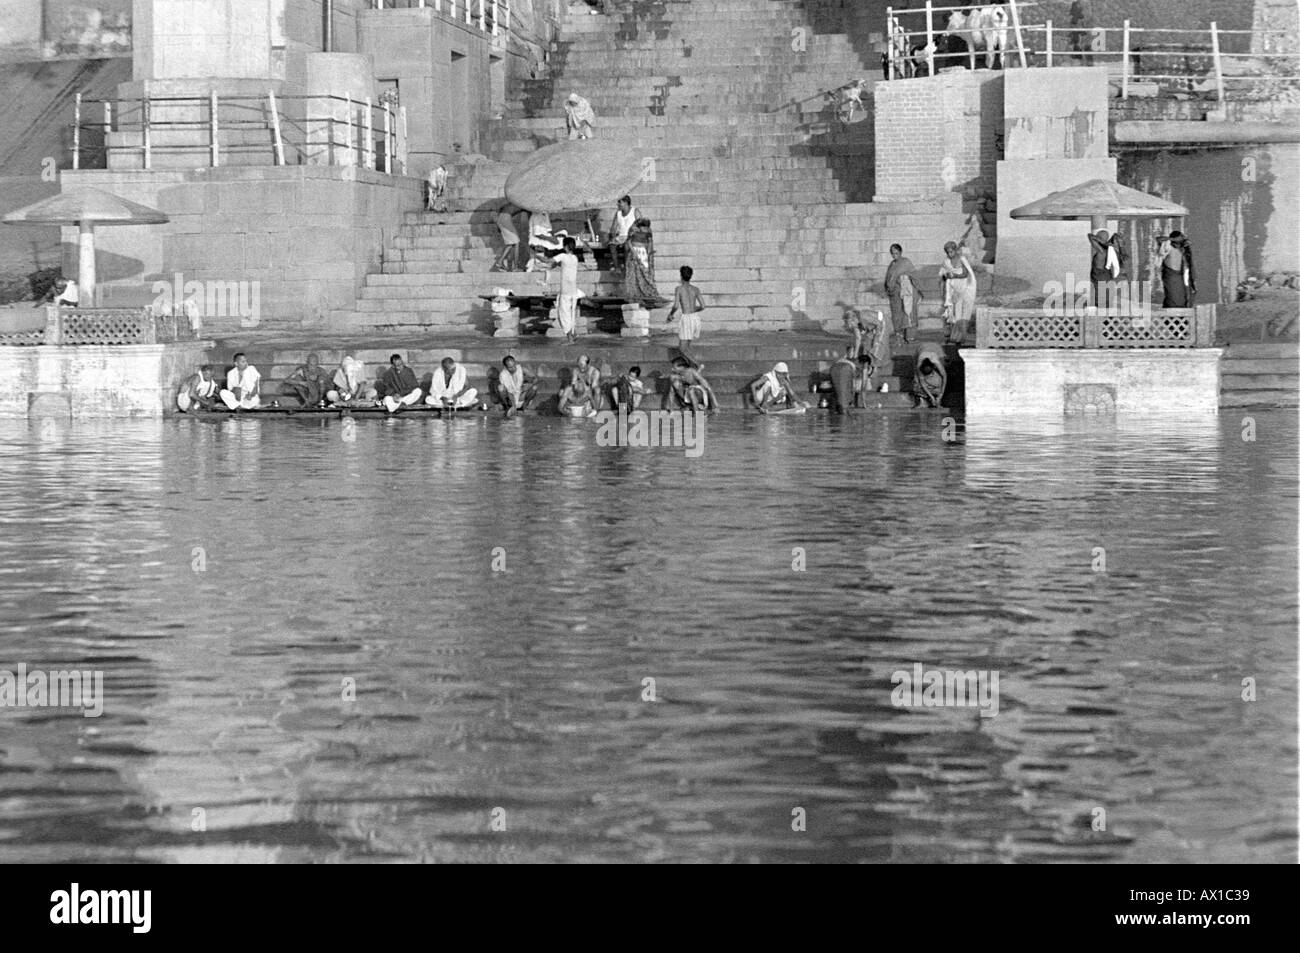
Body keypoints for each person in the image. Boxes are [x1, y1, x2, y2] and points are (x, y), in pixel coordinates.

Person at [939, 240, 976, 345]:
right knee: (954, 312)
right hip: (952, 290)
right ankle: (954, 337)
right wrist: (946, 276)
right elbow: (942, 273)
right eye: (947, 252)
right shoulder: (946, 261)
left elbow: (965, 273)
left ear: (955, 250)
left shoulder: (961, 259)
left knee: (962, 313)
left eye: (951, 251)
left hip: (963, 288)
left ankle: (961, 337)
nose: (949, 254)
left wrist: (955, 275)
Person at [883, 243, 920, 344]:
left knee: (908, 313)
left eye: (896, 253)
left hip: (906, 293)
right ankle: (898, 335)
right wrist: (888, 288)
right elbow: (888, 278)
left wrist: (916, 288)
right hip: (894, 294)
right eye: (892, 253)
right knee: (896, 315)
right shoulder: (892, 264)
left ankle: (910, 337)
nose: (894, 255)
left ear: (900, 252)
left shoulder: (906, 262)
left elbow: (914, 275)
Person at [667, 265, 705, 359]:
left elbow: (676, 306)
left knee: (682, 349)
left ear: (681, 276)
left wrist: (670, 314)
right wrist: (692, 308)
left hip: (687, 319)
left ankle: (695, 367)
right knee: (686, 346)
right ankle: (691, 368)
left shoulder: (679, 289)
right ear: (691, 276)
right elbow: (703, 306)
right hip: (695, 318)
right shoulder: (696, 289)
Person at [550, 236, 584, 344]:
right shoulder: (575, 258)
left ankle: (570, 339)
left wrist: (537, 257)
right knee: (571, 314)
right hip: (573, 290)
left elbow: (549, 260)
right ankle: (573, 334)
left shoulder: (563, 256)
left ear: (565, 246)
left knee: (564, 315)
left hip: (565, 291)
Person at [621, 217, 660, 306]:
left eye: (647, 228)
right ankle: (635, 294)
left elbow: (650, 241)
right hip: (634, 251)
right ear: (640, 226)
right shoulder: (633, 229)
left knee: (645, 272)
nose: (645, 229)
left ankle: (647, 292)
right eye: (644, 227)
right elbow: (629, 242)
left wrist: (649, 252)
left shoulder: (649, 231)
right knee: (634, 273)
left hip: (643, 252)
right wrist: (633, 252)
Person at [1088, 228, 1127, 308]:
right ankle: (1107, 317)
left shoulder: (1101, 250)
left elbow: (1090, 236)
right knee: (1106, 299)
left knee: (1100, 300)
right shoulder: (1109, 250)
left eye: (1098, 236)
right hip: (1106, 276)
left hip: (1100, 276)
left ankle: (1103, 317)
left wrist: (1101, 240)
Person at [1158, 230, 1196, 308]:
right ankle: (1170, 317)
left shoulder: (1182, 249)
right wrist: (1173, 239)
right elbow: (1159, 239)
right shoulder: (1168, 246)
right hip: (1170, 275)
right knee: (1172, 297)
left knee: (1181, 298)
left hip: (1179, 275)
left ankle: (1180, 317)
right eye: (1180, 237)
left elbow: (1188, 244)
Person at [606, 195, 640, 272]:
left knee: (626, 246)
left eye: (620, 202)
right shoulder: (618, 213)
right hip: (621, 237)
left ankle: (627, 267)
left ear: (625, 202)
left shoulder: (635, 211)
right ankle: (616, 267)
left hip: (632, 237)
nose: (618, 204)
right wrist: (613, 235)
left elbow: (641, 224)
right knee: (611, 245)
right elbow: (613, 227)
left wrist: (635, 231)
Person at [913, 343, 947, 408]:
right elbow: (922, 383)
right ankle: (922, 401)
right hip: (921, 348)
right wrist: (931, 396)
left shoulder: (936, 362)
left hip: (936, 348)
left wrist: (941, 395)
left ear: (934, 367)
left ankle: (939, 401)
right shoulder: (919, 365)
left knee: (938, 380)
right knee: (917, 381)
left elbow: (944, 377)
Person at [829, 346, 859, 414]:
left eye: (853, 352)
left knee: (840, 392)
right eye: (851, 352)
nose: (852, 354)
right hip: (842, 372)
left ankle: (839, 407)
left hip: (838, 373)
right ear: (847, 352)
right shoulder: (845, 360)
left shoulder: (854, 361)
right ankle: (842, 407)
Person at [494, 202, 523, 271]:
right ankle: (515, 267)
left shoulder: (510, 203)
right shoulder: (521, 202)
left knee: (511, 244)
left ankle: (500, 262)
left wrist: (498, 227)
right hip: (505, 218)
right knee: (516, 242)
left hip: (499, 218)